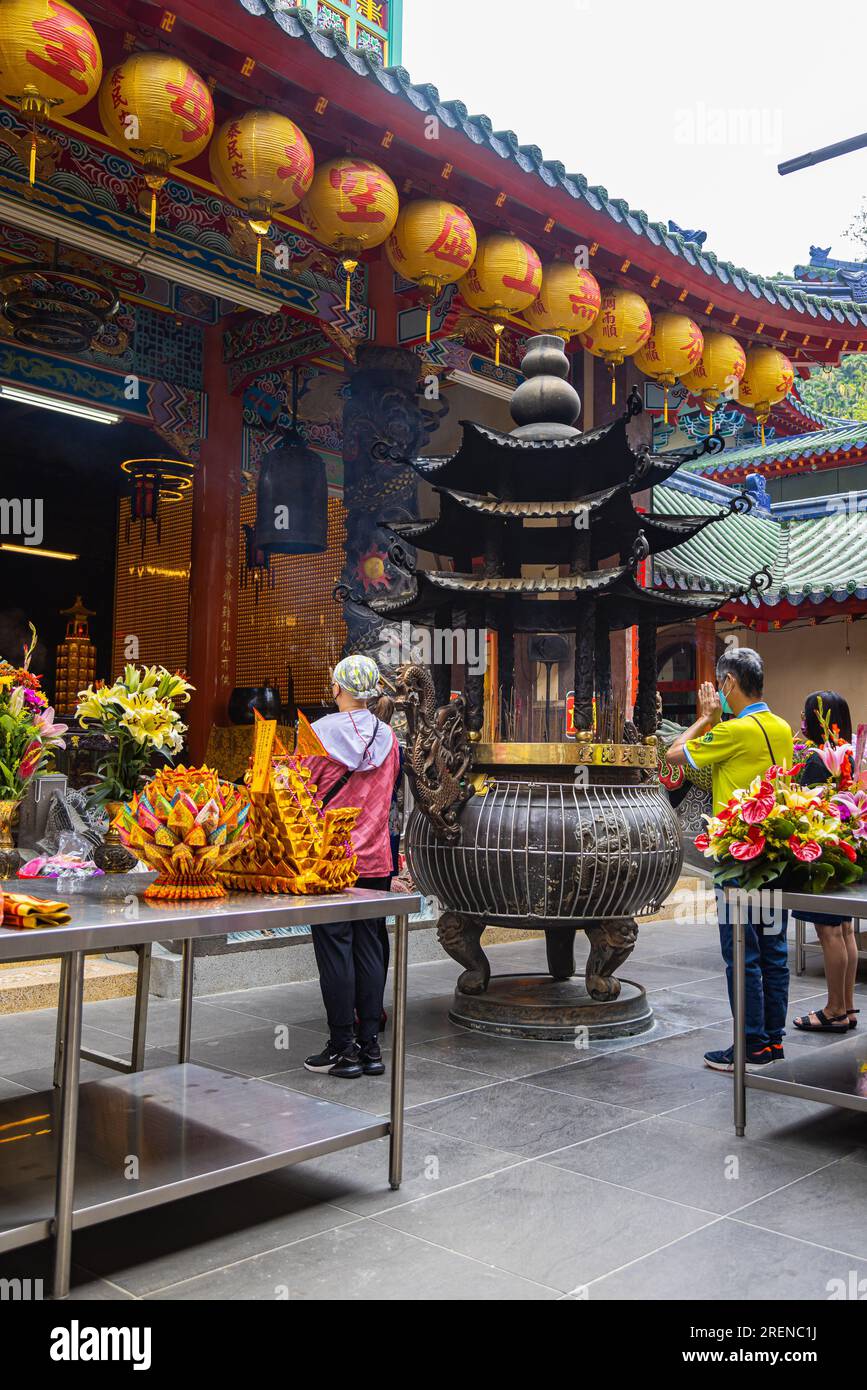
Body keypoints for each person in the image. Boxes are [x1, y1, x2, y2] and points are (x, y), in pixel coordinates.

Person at [666, 647, 794, 1072]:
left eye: (719, 684)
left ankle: (750, 1044)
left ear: (729, 684)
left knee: (742, 952)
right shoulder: (781, 727)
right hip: (775, 857)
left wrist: (705, 719)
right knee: (774, 948)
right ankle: (772, 1041)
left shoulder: (736, 730)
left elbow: (672, 756)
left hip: (738, 859)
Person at [302, 655, 400, 1079]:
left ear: (338, 688)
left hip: (329, 862)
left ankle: (343, 1049)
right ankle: (372, 1050)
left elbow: (299, 791)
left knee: (334, 949)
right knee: (370, 948)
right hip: (376, 859)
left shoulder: (319, 734)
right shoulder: (390, 738)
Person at [792, 691, 859, 1034]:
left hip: (823, 853)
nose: (803, 721)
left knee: (829, 931)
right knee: (844, 928)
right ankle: (846, 1006)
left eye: (806, 715)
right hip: (846, 849)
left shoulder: (820, 759)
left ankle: (833, 1009)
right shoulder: (849, 754)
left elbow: (808, 806)